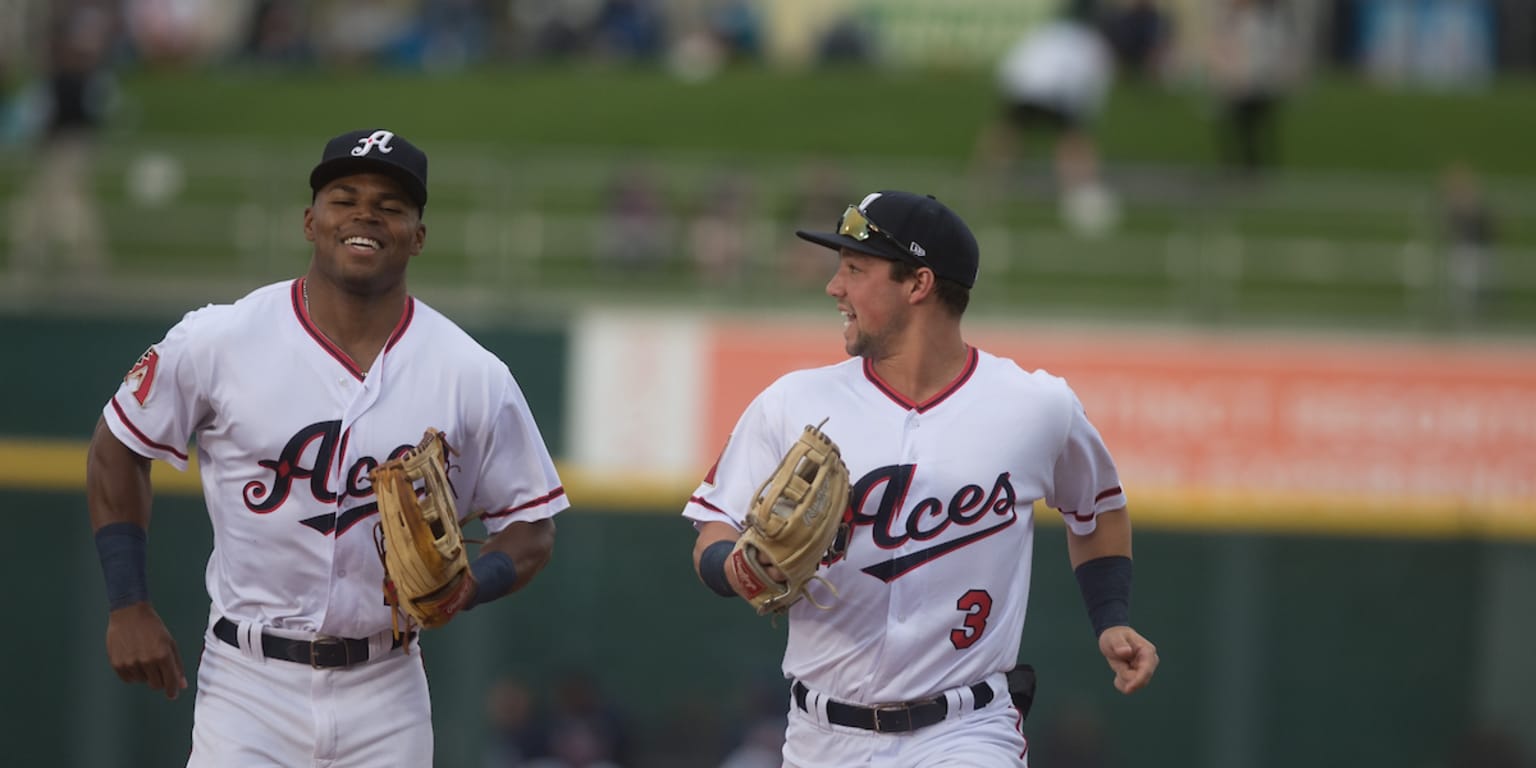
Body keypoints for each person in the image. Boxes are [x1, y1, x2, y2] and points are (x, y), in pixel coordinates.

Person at [85, 128, 569, 767]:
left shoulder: (470, 373)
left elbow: (531, 529)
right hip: (245, 681)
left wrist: (471, 585)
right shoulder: (219, 340)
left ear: (418, 237)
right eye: (345, 198)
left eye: (392, 205)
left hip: (386, 686)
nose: (366, 213)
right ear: (310, 222)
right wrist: (129, 604)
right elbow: (116, 448)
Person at [682, 191, 1158, 766]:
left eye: (855, 269)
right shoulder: (792, 402)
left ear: (918, 284)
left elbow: (1099, 508)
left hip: (965, 732)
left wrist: (1111, 619)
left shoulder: (1035, 406)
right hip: (820, 736)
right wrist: (731, 569)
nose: (835, 287)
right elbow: (714, 527)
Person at [971, 0, 1118, 236]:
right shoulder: (1092, 41)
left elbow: (1014, 63)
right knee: (1072, 140)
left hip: (1023, 84)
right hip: (1057, 89)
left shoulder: (1048, 31)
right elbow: (1093, 85)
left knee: (1008, 131)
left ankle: (986, 183)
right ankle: (1078, 192)